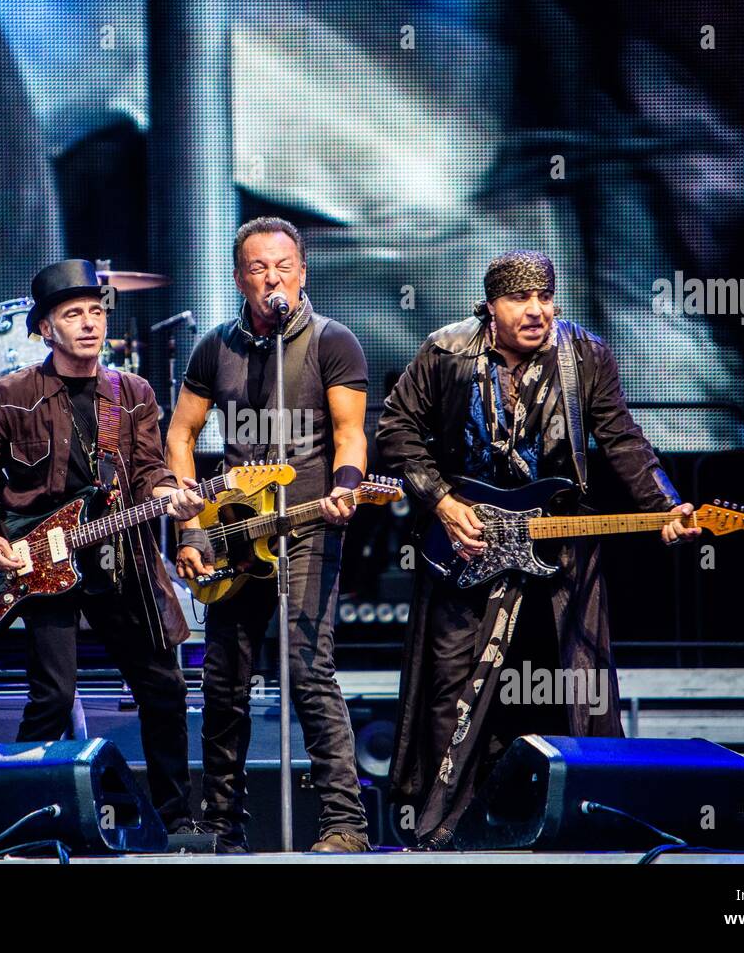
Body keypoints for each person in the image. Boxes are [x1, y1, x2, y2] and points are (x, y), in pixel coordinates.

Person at [376, 249, 700, 848]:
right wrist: (445, 502)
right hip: (468, 547)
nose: (537, 311)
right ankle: (445, 830)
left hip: (561, 546)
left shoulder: (585, 354)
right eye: (521, 300)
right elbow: (394, 429)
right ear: (491, 306)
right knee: (453, 690)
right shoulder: (446, 350)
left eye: (546, 298)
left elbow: (622, 438)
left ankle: (592, 821)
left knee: (575, 684)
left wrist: (665, 506)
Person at [0, 258, 205, 833]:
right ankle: (18, 819)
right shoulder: (12, 393)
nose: (90, 323)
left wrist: (172, 493)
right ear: (46, 327)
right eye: (74, 314)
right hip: (40, 560)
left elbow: (147, 470)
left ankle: (176, 820)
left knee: (163, 686)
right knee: (52, 696)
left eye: (96, 311)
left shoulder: (132, 392)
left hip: (120, 557)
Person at [165, 216, 372, 853]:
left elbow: (351, 433)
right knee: (224, 679)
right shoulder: (215, 348)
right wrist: (190, 527)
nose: (271, 277)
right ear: (238, 278)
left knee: (308, 668)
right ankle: (224, 827)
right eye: (257, 267)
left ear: (302, 273)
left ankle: (344, 824)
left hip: (306, 523)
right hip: (232, 528)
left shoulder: (333, 342)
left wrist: (345, 484)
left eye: (282, 265)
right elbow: (180, 436)